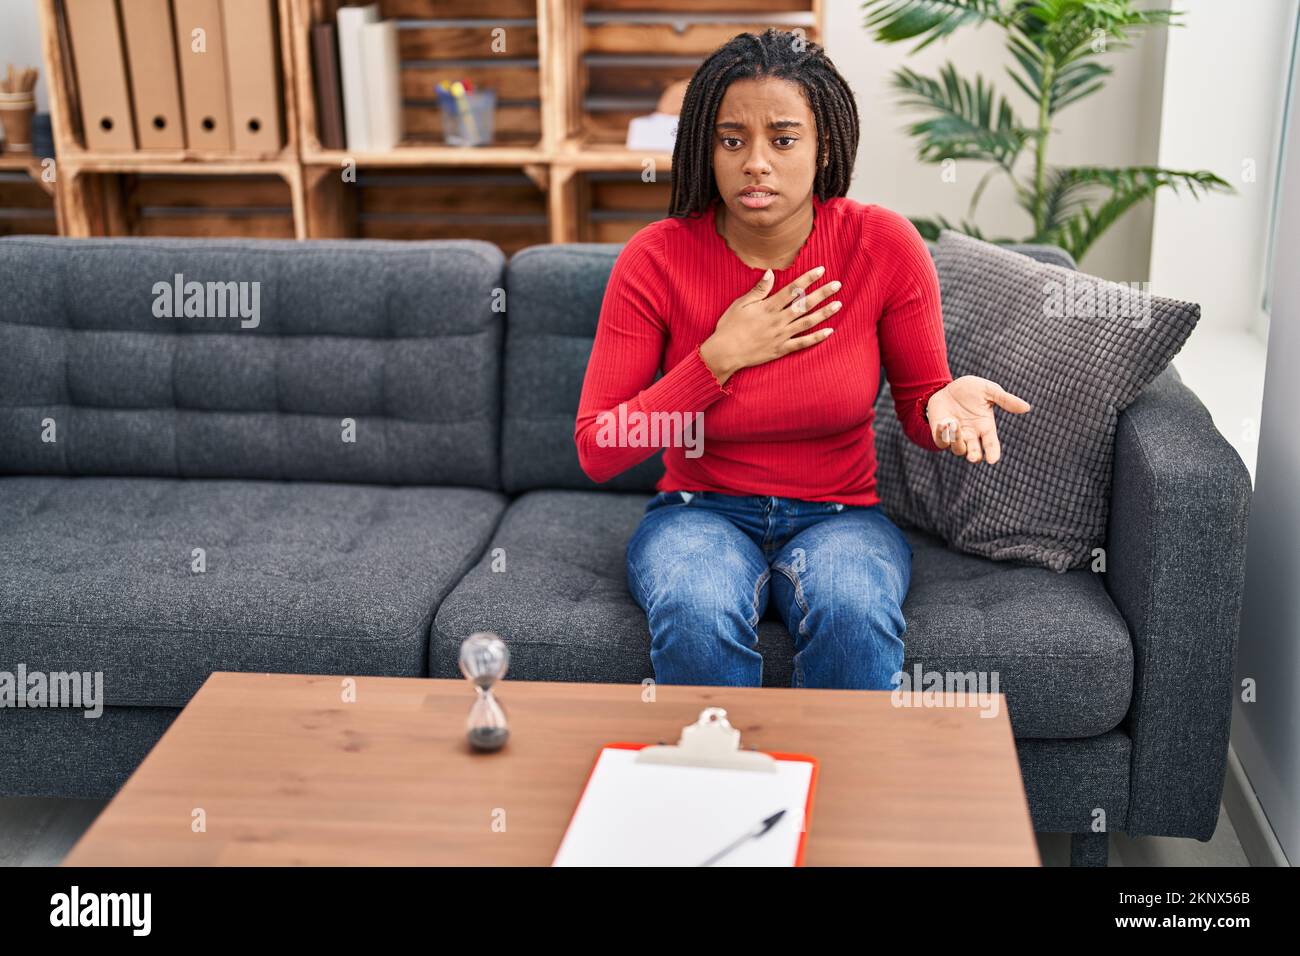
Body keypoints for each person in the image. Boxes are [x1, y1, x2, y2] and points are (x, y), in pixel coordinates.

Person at [573, 29, 1032, 690]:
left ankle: (839, 791)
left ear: (823, 150)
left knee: (853, 610)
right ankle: (722, 787)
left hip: (839, 516)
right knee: (696, 610)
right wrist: (717, 360)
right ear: (707, 147)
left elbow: (918, 401)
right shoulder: (656, 258)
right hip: (698, 512)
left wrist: (940, 408)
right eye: (732, 140)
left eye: (783, 139)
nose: (756, 162)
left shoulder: (881, 245)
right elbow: (600, 446)